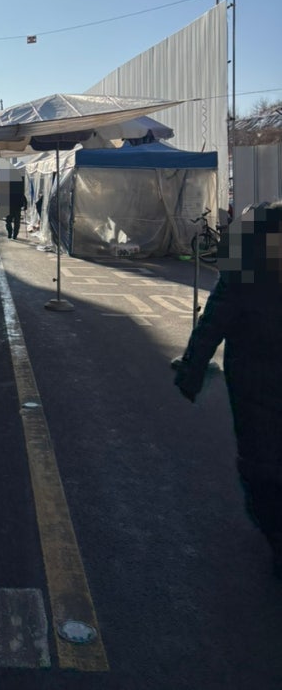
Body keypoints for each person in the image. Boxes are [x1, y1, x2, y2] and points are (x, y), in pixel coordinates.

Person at [173, 202, 282, 577]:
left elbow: (212, 324)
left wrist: (191, 371)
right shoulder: (243, 274)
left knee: (262, 462)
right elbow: (212, 323)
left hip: (254, 385)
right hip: (255, 385)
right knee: (263, 461)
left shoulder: (243, 273)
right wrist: (192, 369)